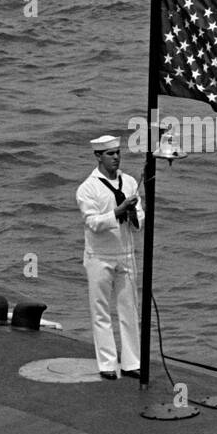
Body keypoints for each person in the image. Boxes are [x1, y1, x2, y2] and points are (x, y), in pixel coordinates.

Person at [76, 134, 145, 380]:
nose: (116, 157)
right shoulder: (88, 188)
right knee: (101, 309)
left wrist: (133, 214)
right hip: (99, 255)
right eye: (110, 154)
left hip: (125, 253)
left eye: (117, 152)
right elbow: (93, 222)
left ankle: (131, 362)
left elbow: (140, 217)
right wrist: (117, 211)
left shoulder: (128, 182)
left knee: (129, 308)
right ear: (98, 156)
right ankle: (106, 362)